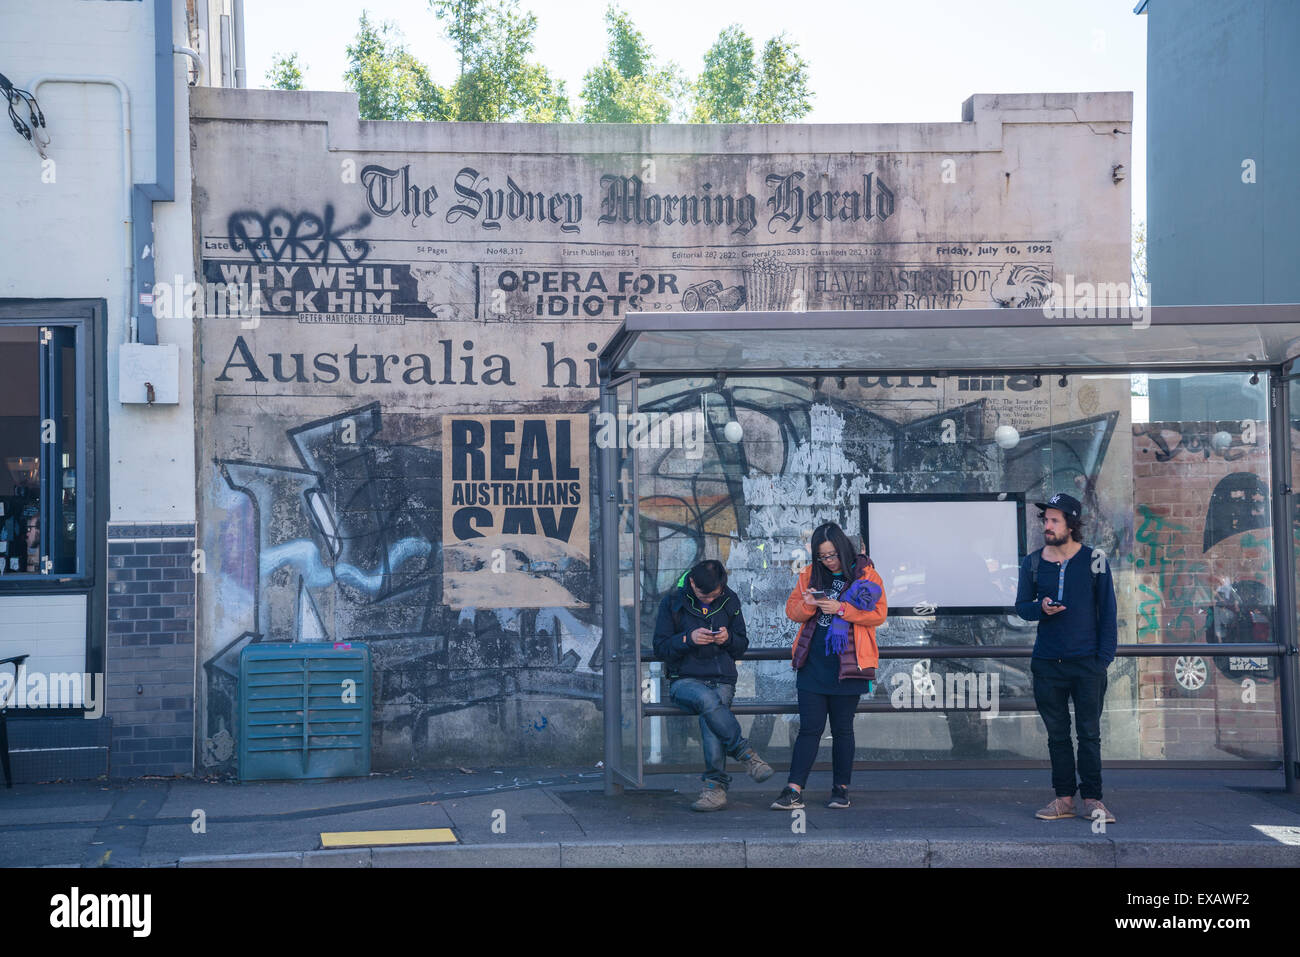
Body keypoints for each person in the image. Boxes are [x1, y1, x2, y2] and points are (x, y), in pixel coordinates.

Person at [1015, 492, 1118, 823]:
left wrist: (1102, 660)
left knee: (1089, 733)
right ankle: (1063, 799)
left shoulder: (1095, 559)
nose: (1047, 525)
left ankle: (1093, 800)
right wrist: (1040, 609)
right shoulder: (1031, 562)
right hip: (1047, 664)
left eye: (1054, 520)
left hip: (1087, 663)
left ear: (1071, 525)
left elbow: (1108, 614)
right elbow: (1021, 607)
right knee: (1057, 735)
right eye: (1045, 520)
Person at [769, 522, 887, 811]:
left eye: (832, 554)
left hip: (849, 662)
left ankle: (840, 788)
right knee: (809, 728)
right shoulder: (810, 575)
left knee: (843, 729)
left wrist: (842, 609)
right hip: (814, 661)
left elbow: (878, 615)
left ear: (843, 548)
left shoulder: (866, 575)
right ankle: (793, 789)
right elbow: (792, 611)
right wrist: (810, 604)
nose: (828, 561)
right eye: (822, 556)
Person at [652, 559, 773, 811]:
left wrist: (728, 638)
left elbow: (741, 644)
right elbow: (660, 647)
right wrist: (688, 638)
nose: (708, 600)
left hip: (721, 676)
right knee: (710, 701)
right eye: (702, 594)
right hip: (684, 679)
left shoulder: (730, 600)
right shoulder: (672, 602)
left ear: (722, 586)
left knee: (711, 716)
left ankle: (714, 789)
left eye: (714, 595)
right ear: (692, 583)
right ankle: (744, 753)